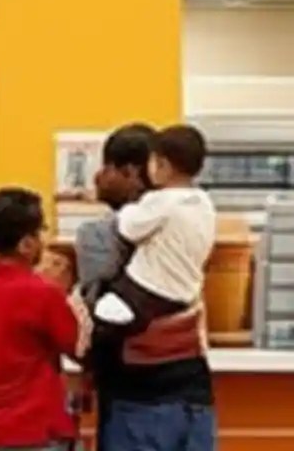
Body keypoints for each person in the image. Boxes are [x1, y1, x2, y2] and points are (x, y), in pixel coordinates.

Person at [82, 124, 216, 451]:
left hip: (138, 396)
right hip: (195, 390)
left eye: (108, 168)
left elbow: (94, 310)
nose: (99, 177)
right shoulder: (199, 209)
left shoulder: (101, 234)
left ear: (131, 172)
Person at [0, 187, 87, 451]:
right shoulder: (42, 293)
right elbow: (79, 347)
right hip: (36, 428)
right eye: (41, 231)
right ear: (26, 244)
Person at [92, 124, 216, 340]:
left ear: (162, 165)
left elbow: (129, 229)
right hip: (185, 292)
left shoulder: (160, 201)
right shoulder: (203, 203)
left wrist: (126, 211)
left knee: (105, 311)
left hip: (149, 291)